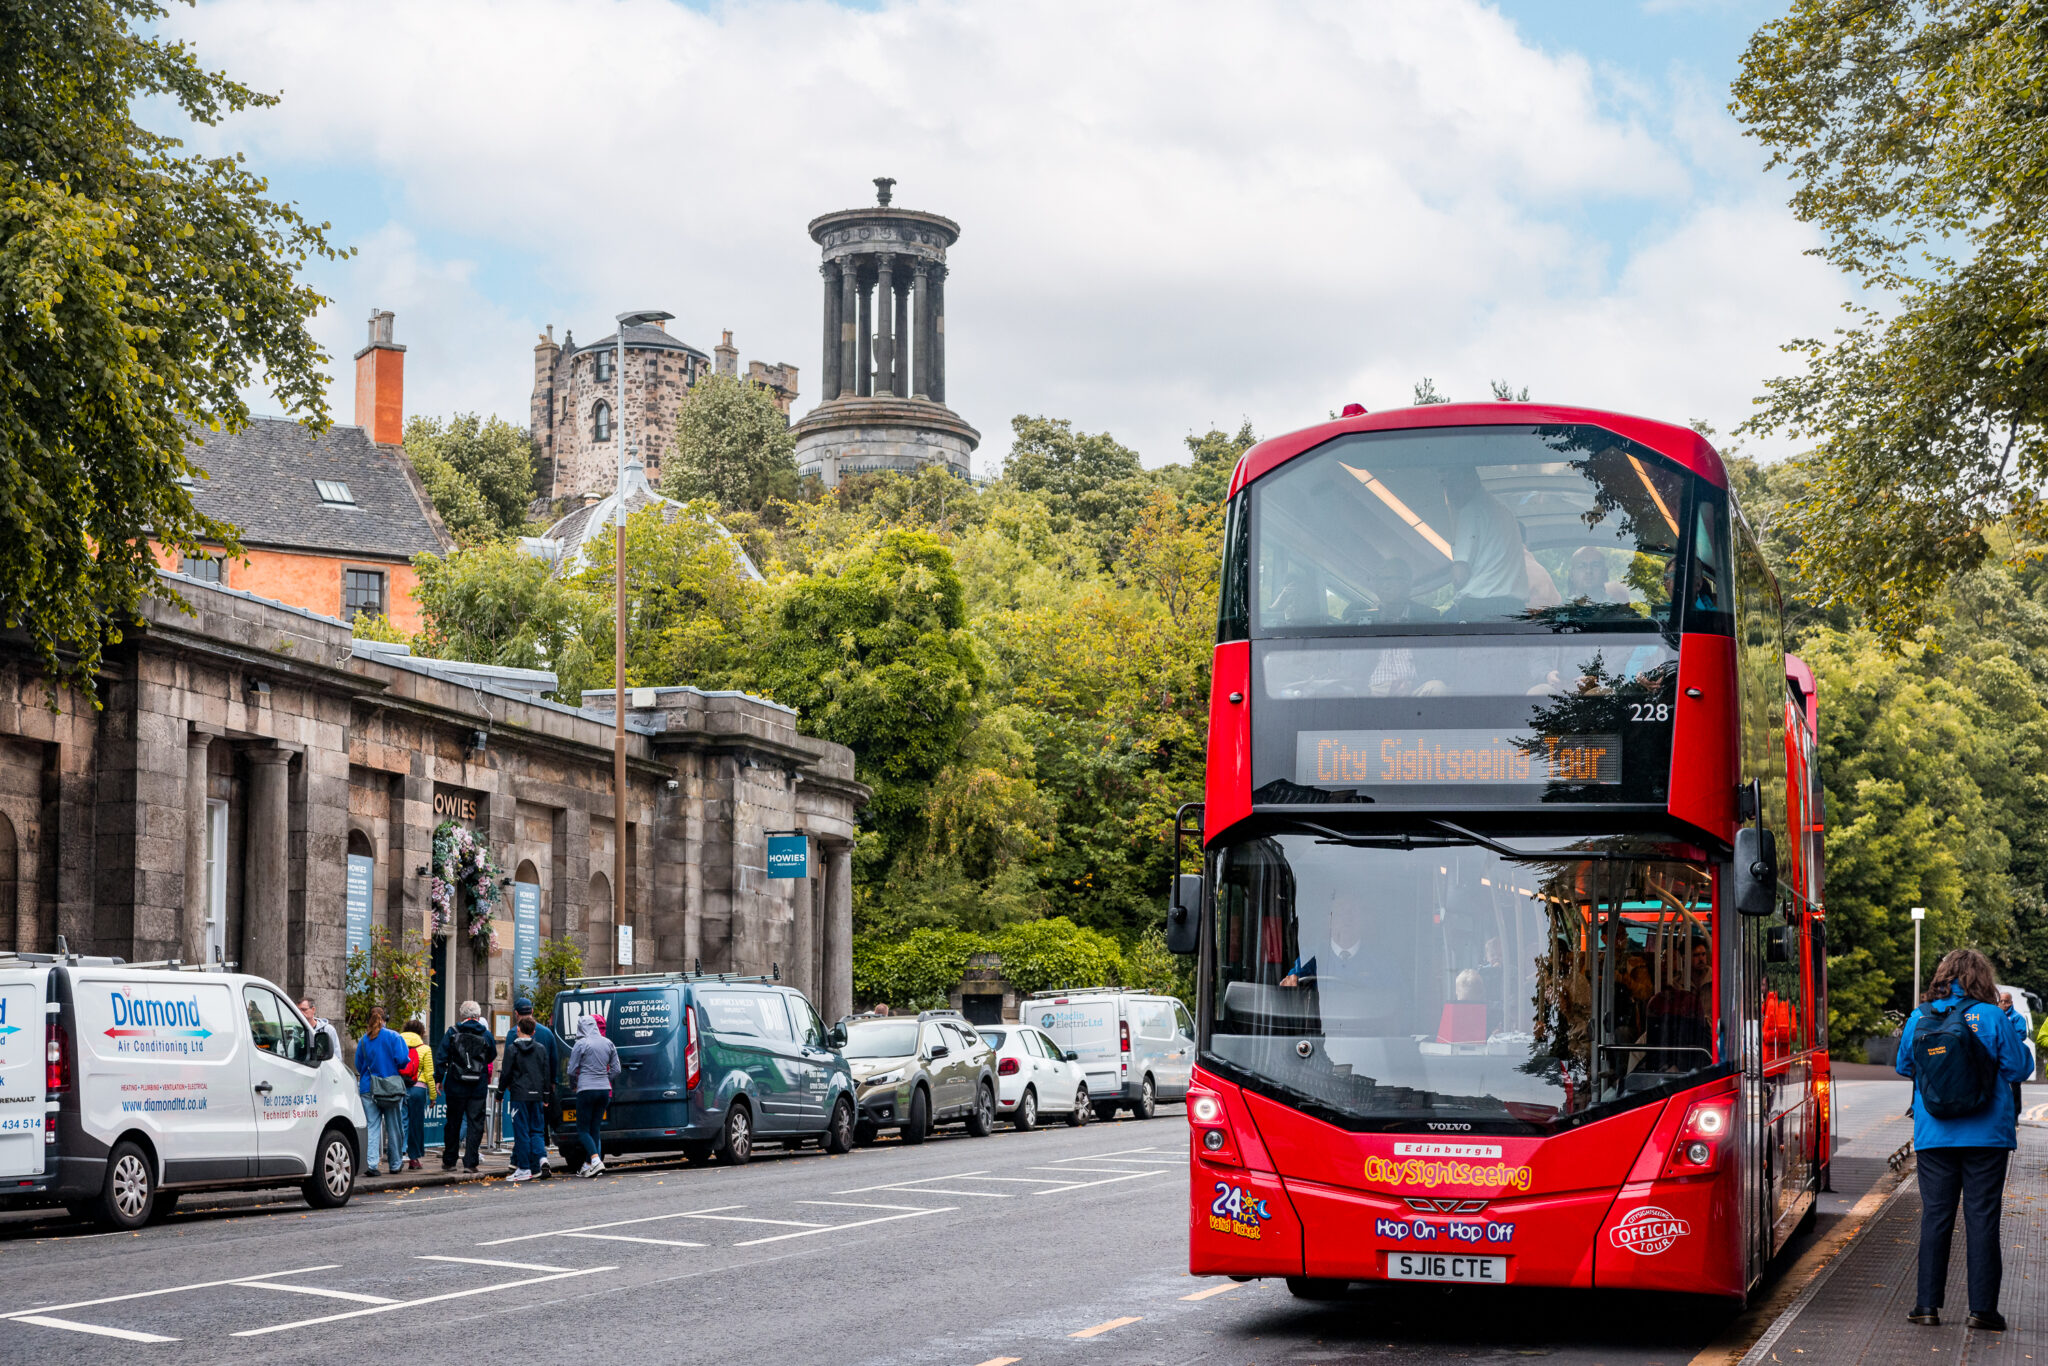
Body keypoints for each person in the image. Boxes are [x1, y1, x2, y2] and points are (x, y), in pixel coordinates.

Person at [1895, 947, 2032, 1332]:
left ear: (1943, 975)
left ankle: (1926, 1306)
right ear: (1981, 977)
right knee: (1982, 1217)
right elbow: (2018, 1068)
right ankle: (1982, 1310)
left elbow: (1905, 1065)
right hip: (1987, 1135)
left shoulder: (1920, 1016)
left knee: (1936, 1216)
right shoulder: (1991, 1015)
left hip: (1934, 1134)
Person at [1443, 466, 1529, 620]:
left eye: (1452, 483)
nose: (1449, 492)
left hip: (1481, 610)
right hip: (1515, 611)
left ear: (1471, 480)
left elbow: (1459, 576)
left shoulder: (1470, 511)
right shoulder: (1503, 510)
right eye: (1445, 484)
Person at [437, 1000, 498, 1173]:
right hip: (477, 1085)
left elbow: (441, 1057)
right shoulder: (485, 1034)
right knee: (475, 1123)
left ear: (462, 1015)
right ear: (478, 1016)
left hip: (455, 1085)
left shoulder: (452, 1032)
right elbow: (492, 1054)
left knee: (453, 1123)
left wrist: (439, 1078)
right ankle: (470, 1163)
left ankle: (449, 1161)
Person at [352, 1007, 410, 1176]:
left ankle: (371, 1164)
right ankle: (395, 1163)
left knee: (371, 1126)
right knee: (394, 1127)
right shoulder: (394, 1037)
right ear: (386, 1018)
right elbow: (403, 1061)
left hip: (368, 1087)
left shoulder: (364, 1040)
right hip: (390, 1087)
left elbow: (358, 1064)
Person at [566, 1013, 621, 1178]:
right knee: (595, 1128)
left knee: (582, 1129)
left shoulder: (581, 1044)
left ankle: (596, 1160)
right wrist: (605, 1078)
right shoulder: (608, 1043)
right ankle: (589, 1164)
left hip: (586, 1089)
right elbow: (617, 1069)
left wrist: (574, 1085)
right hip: (604, 1090)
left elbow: (571, 1069)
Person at [503, 1016, 552, 1183]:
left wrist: (499, 1092)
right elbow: (546, 1074)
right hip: (537, 1095)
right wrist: (546, 1095)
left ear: (518, 1029)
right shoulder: (541, 1049)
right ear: (534, 1031)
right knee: (537, 1131)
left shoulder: (512, 1049)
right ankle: (541, 1159)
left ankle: (524, 1168)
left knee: (521, 1131)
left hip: (519, 1095)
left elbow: (506, 1072)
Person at [399, 1017, 436, 1172]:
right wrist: (433, 1095)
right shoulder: (425, 1049)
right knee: (416, 1125)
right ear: (421, 1032)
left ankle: (398, 1155)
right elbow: (429, 1075)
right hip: (419, 1089)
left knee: (400, 1123)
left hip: (399, 1088)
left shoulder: (398, 1044)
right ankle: (414, 1159)